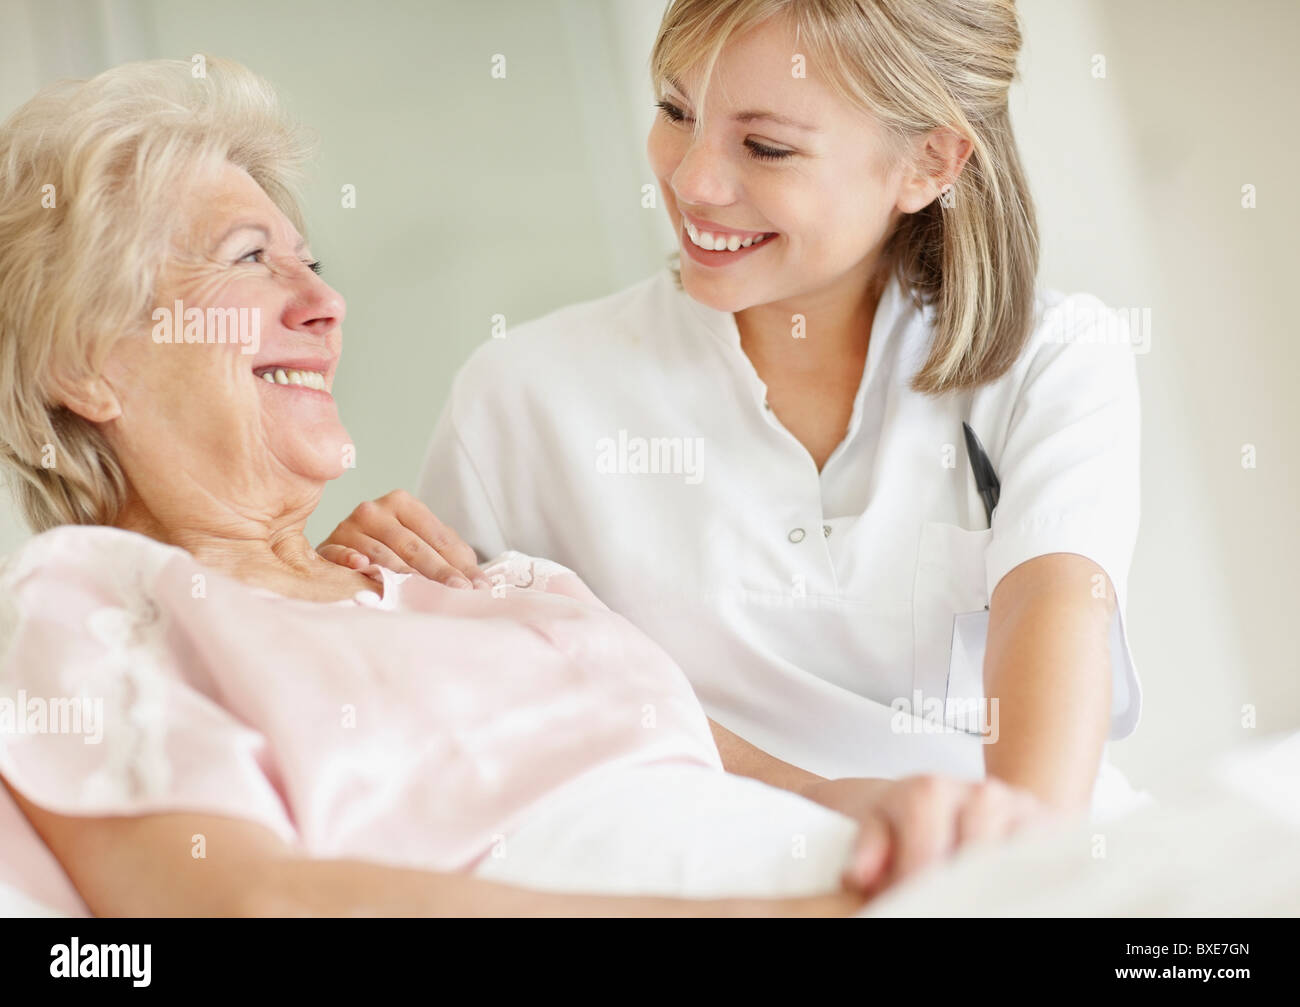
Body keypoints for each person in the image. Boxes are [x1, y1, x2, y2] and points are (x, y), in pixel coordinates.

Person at [0, 56, 1045, 918]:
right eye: (248, 261)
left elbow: (788, 784)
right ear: (85, 360)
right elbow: (248, 905)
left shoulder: (487, 580)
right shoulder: (92, 601)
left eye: (310, 262)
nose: (324, 301)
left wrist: (932, 820)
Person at [322, 0, 1144, 815]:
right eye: (677, 111)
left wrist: (1011, 871)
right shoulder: (522, 397)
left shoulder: (1052, 358)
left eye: (766, 146)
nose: (692, 180)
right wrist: (335, 587)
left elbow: (1049, 685)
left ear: (928, 164)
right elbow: (463, 705)